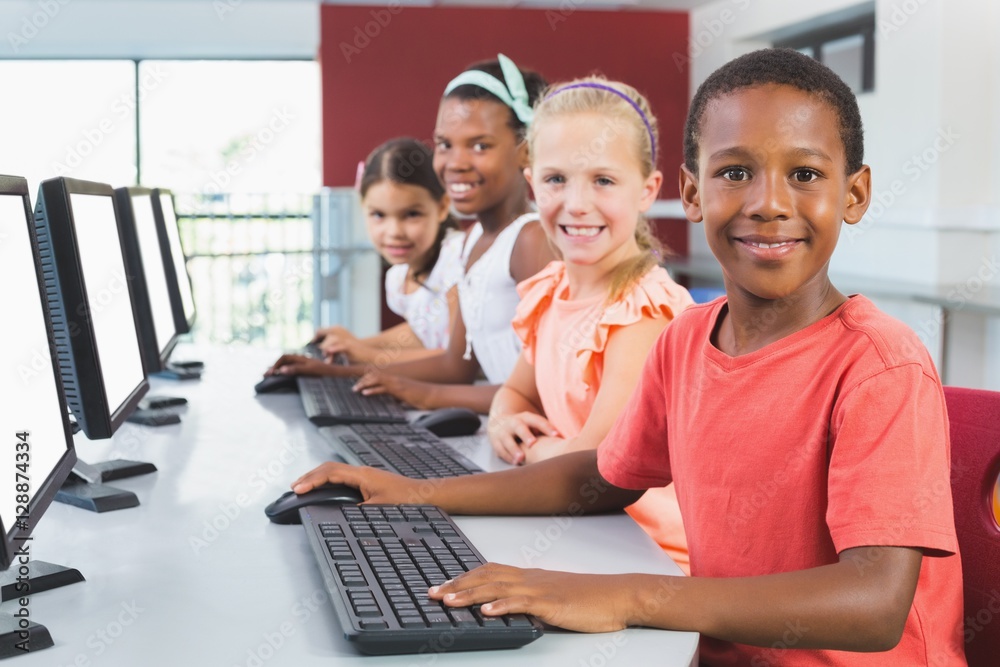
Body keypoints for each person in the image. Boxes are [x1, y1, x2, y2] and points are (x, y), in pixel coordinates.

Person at [290, 49, 966, 665]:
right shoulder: (687, 338)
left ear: (853, 194)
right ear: (693, 192)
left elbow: (877, 602)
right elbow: (600, 478)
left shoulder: (880, 365)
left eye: (805, 173)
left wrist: (627, 594)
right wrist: (417, 494)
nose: (768, 202)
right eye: (735, 171)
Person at [485, 78, 694, 571]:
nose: (577, 203)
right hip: (588, 534)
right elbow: (515, 393)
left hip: (652, 560)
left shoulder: (642, 309)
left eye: (603, 180)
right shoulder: (553, 291)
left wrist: (529, 447)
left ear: (646, 191)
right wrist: (502, 420)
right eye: (557, 179)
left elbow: (594, 463)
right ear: (532, 183)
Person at [268, 54, 555, 413]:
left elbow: (547, 393)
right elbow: (455, 365)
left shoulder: (530, 241)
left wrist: (421, 394)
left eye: (480, 145)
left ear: (525, 150)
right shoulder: (471, 242)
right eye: (445, 144)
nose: (456, 162)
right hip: (501, 427)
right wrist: (332, 372)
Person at [312, 138, 464, 365]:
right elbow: (423, 333)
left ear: (442, 207)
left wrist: (365, 354)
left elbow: (457, 360)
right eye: (378, 215)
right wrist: (353, 342)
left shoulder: (458, 258)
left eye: (411, 214)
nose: (394, 232)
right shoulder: (398, 278)